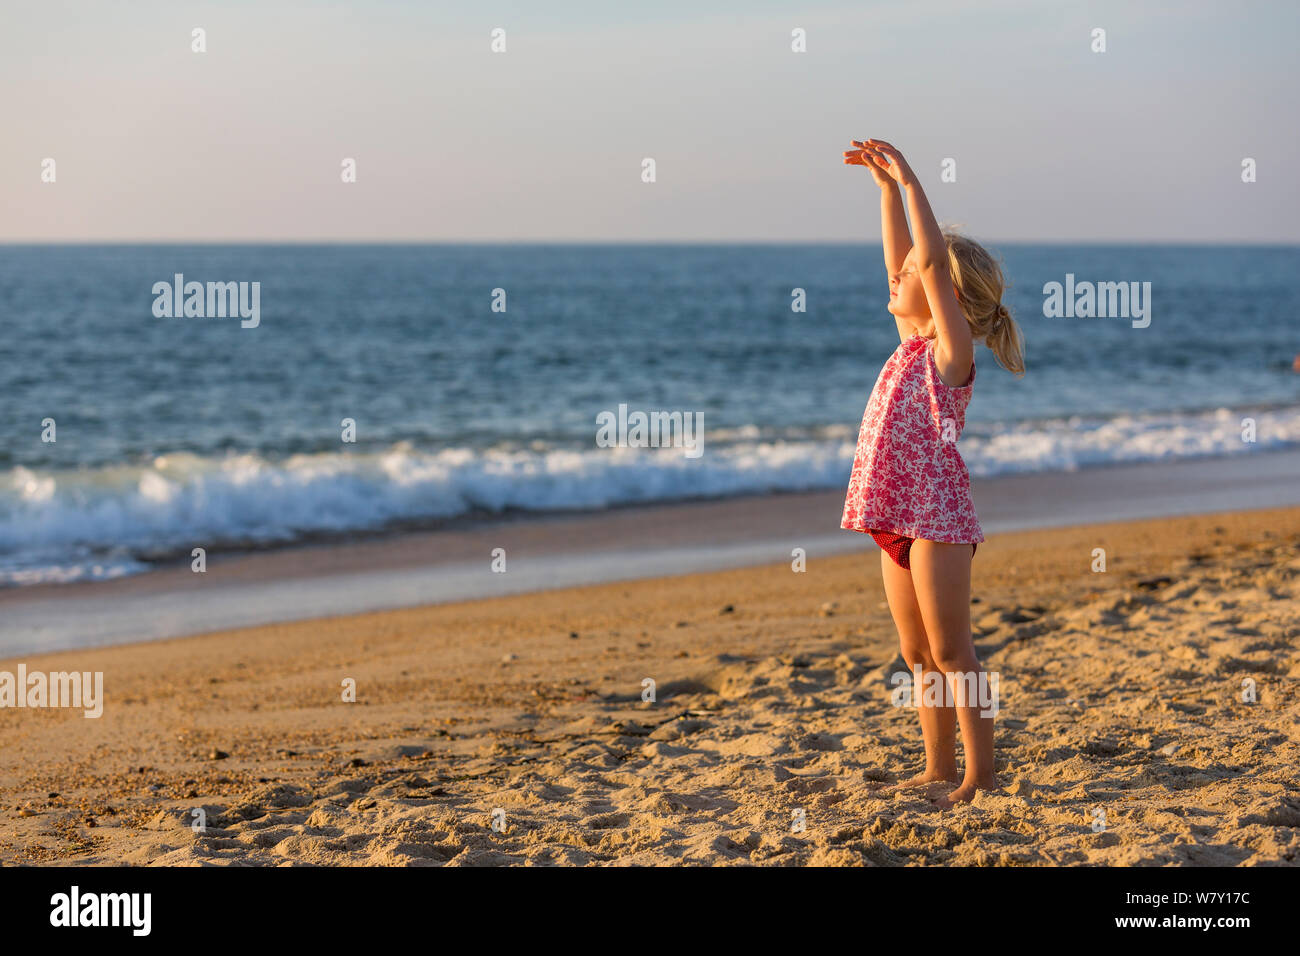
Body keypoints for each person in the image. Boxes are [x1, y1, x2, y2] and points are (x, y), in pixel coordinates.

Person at [840, 138, 1025, 807]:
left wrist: (914, 180)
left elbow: (932, 258)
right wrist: (885, 194)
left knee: (953, 653)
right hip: (895, 515)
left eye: (913, 271)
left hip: (938, 518)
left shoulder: (949, 355)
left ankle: (981, 776)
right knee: (916, 655)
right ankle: (937, 767)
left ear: (946, 292)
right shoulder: (909, 344)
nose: (896, 277)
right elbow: (908, 261)